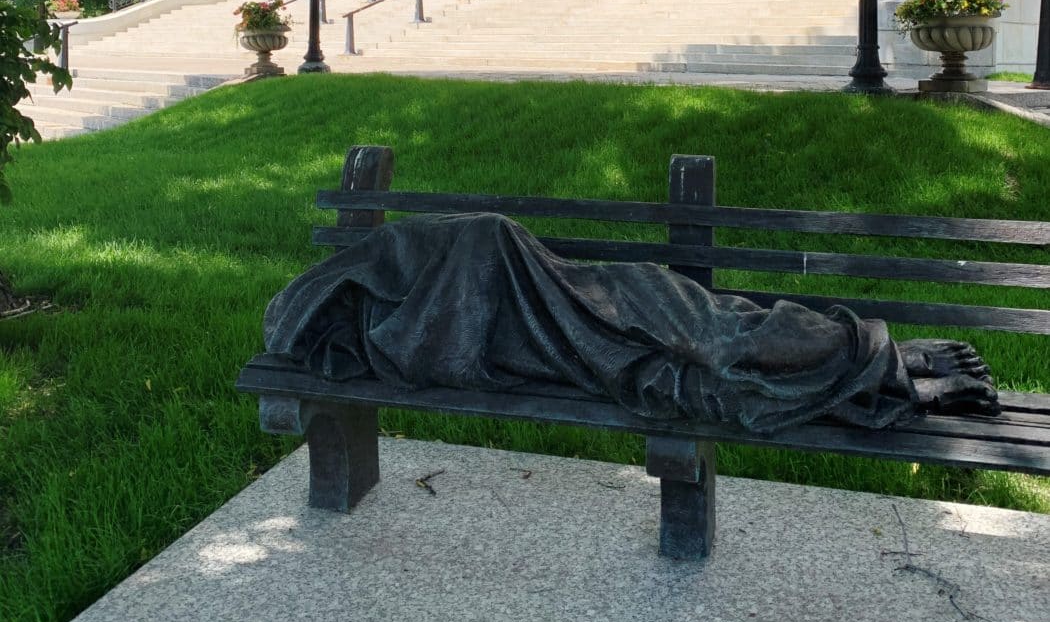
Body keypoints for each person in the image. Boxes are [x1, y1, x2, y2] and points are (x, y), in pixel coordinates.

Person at [264, 212, 998, 436]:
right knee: (689, 371)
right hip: (561, 339)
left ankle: (883, 364)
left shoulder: (384, 285)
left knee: (708, 335)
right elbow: (450, 326)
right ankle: (891, 373)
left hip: (573, 298)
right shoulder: (386, 334)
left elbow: (487, 245)